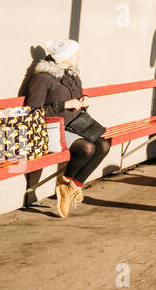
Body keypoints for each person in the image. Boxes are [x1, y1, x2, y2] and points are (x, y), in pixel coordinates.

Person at [23, 39, 108, 219]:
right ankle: (65, 182)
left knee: (104, 145)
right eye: (76, 54)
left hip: (76, 124)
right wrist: (64, 104)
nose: (79, 57)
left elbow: (78, 98)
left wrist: (84, 100)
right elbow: (33, 111)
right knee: (88, 149)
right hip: (53, 128)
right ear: (64, 56)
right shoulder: (42, 78)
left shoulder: (72, 75)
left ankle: (71, 186)